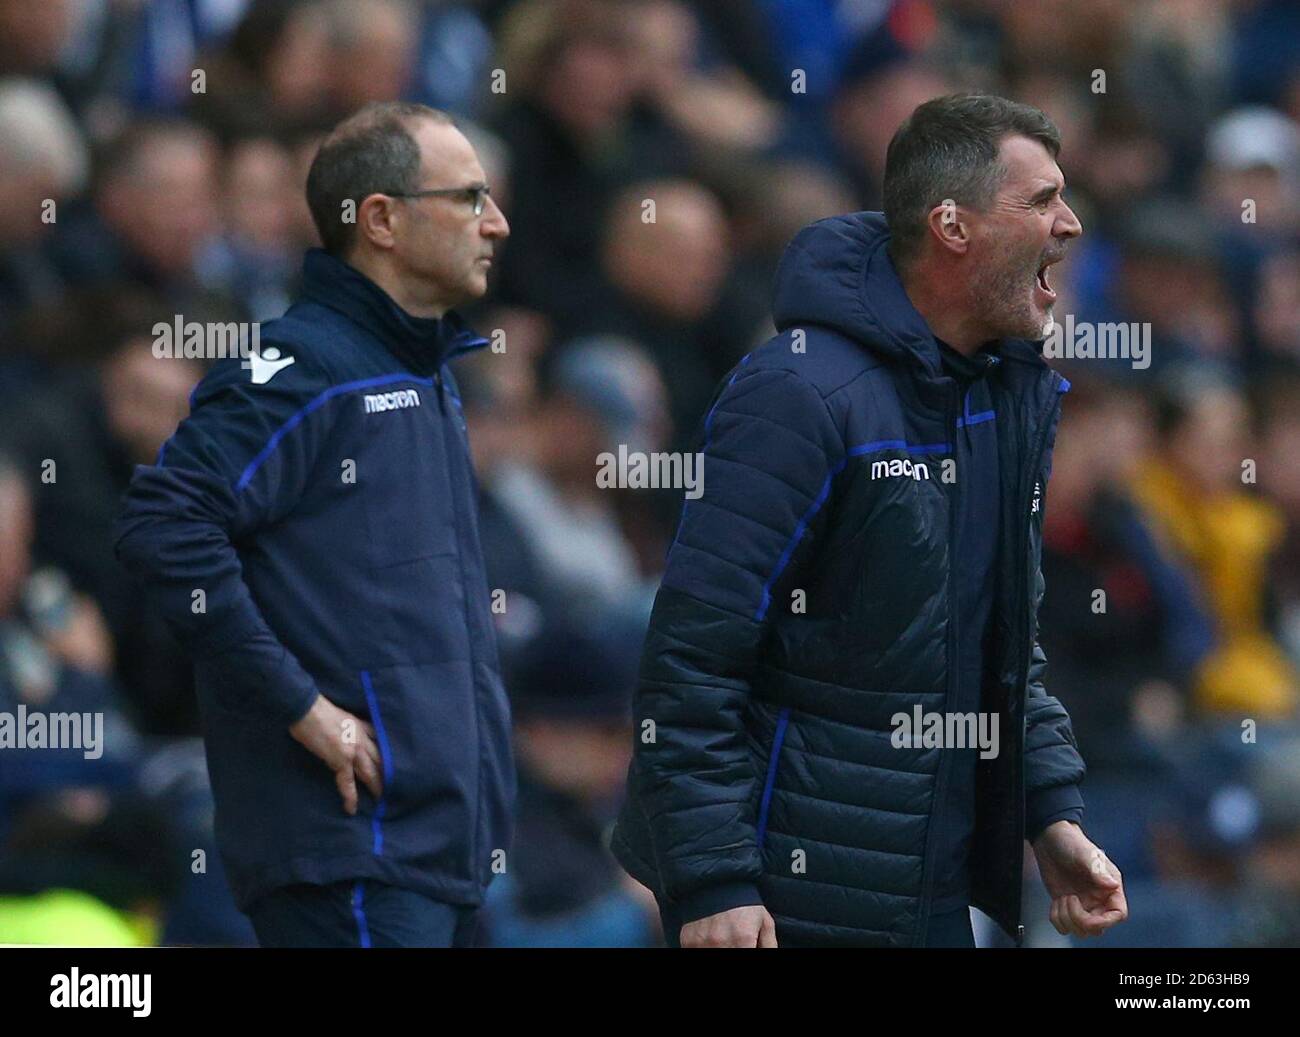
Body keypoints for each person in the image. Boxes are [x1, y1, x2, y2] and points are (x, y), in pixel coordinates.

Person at [611, 93, 1129, 947]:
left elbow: (1004, 640)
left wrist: (1050, 814)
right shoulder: (800, 394)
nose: (1070, 224)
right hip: (783, 902)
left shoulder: (1005, 394)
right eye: (1041, 200)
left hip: (926, 899)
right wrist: (713, 882)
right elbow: (691, 664)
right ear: (953, 226)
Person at [114, 101, 516, 947]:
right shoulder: (302, 369)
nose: (498, 224)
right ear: (381, 220)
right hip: (351, 854)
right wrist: (301, 706)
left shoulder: (428, 371)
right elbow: (164, 525)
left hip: (430, 853)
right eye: (471, 198)